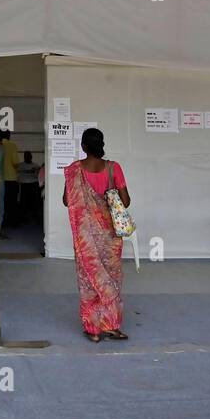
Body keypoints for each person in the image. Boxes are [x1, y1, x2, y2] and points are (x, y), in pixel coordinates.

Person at [62, 128, 130, 342]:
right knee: (111, 278)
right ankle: (111, 325)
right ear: (101, 144)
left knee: (89, 280)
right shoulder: (113, 168)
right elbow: (125, 202)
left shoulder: (74, 170)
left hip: (85, 238)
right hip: (110, 236)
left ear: (83, 146)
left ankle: (93, 330)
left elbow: (67, 200)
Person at [0, 129, 21, 227]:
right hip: (11, 179)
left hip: (0, 179)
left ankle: (2, 222)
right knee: (12, 202)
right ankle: (12, 222)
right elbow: (15, 163)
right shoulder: (12, 146)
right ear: (9, 136)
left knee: (2, 202)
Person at [17, 150, 42, 224]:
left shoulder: (35, 165)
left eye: (29, 156)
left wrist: (37, 170)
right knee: (24, 202)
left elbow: (40, 174)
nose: (28, 157)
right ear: (24, 157)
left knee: (34, 202)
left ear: (31, 157)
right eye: (26, 156)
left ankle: (34, 217)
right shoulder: (20, 165)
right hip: (24, 185)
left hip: (34, 184)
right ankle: (24, 218)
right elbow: (17, 174)